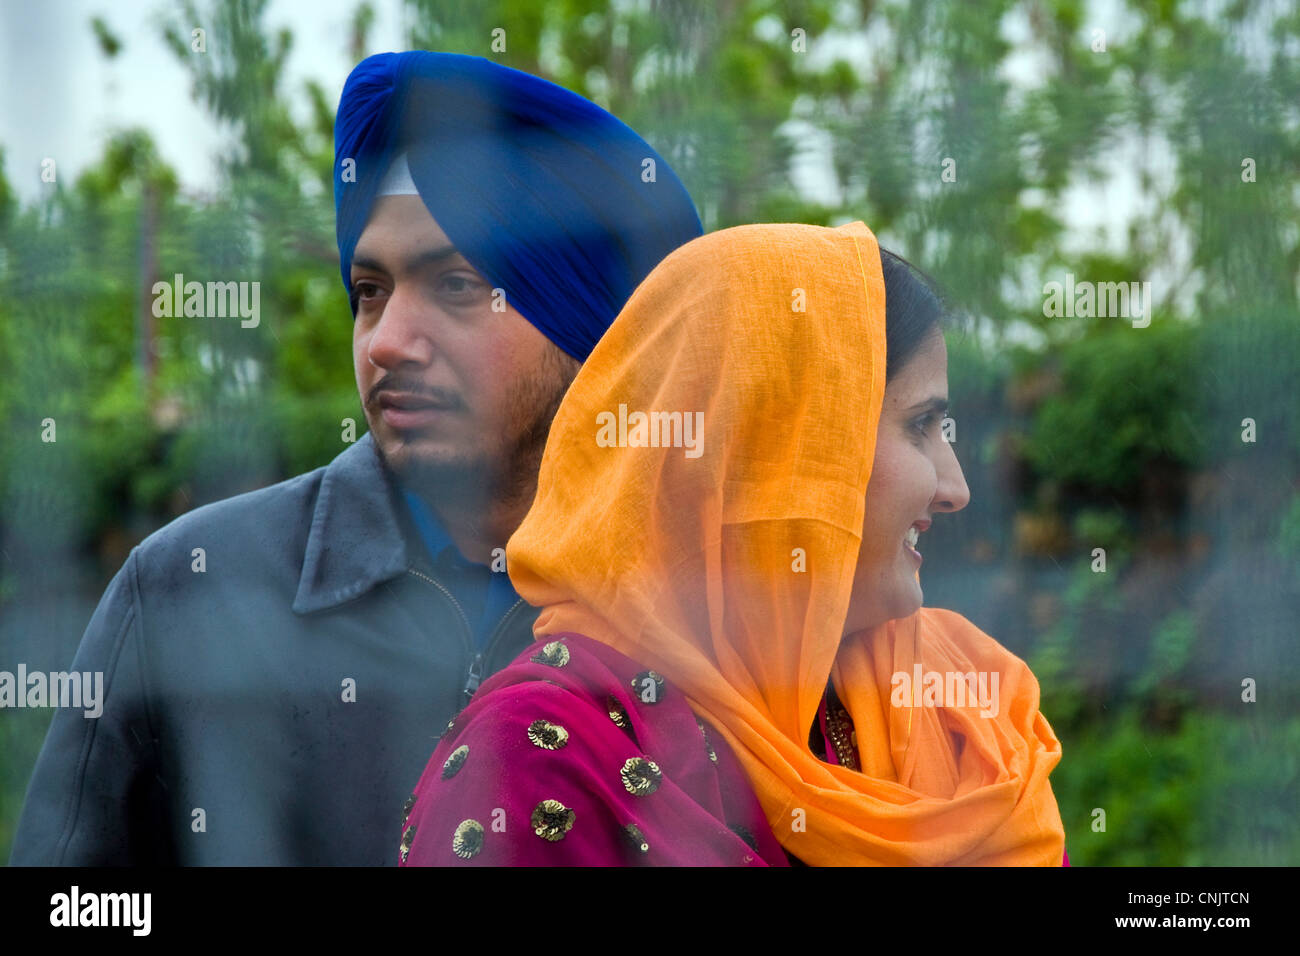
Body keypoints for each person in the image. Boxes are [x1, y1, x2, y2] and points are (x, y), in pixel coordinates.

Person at [9, 51, 702, 865]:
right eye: (370, 291)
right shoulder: (186, 588)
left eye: (456, 287)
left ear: (590, 329)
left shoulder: (698, 615)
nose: (386, 342)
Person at [398, 221, 1069, 866]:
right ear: (775, 450)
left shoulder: (957, 708)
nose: (955, 489)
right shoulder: (540, 755)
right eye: (919, 425)